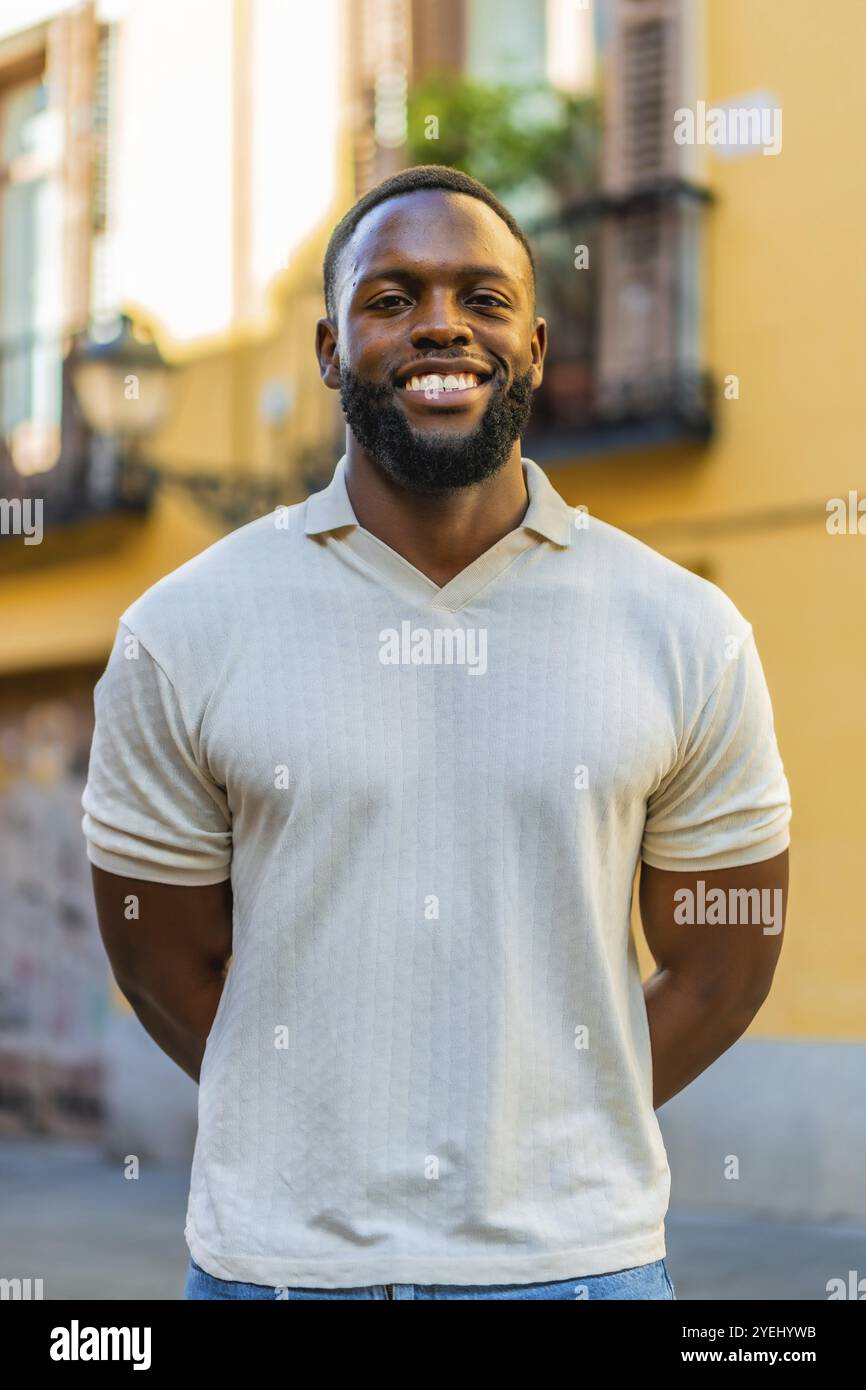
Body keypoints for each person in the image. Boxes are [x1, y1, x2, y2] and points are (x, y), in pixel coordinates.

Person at [81, 165, 791, 1301]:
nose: (441, 325)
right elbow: (165, 963)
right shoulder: (183, 631)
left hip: (577, 1273)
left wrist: (537, 1125)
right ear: (327, 347)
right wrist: (325, 1129)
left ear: (536, 346)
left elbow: (720, 961)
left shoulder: (682, 629)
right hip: (275, 1272)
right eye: (392, 297)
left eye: (483, 297)